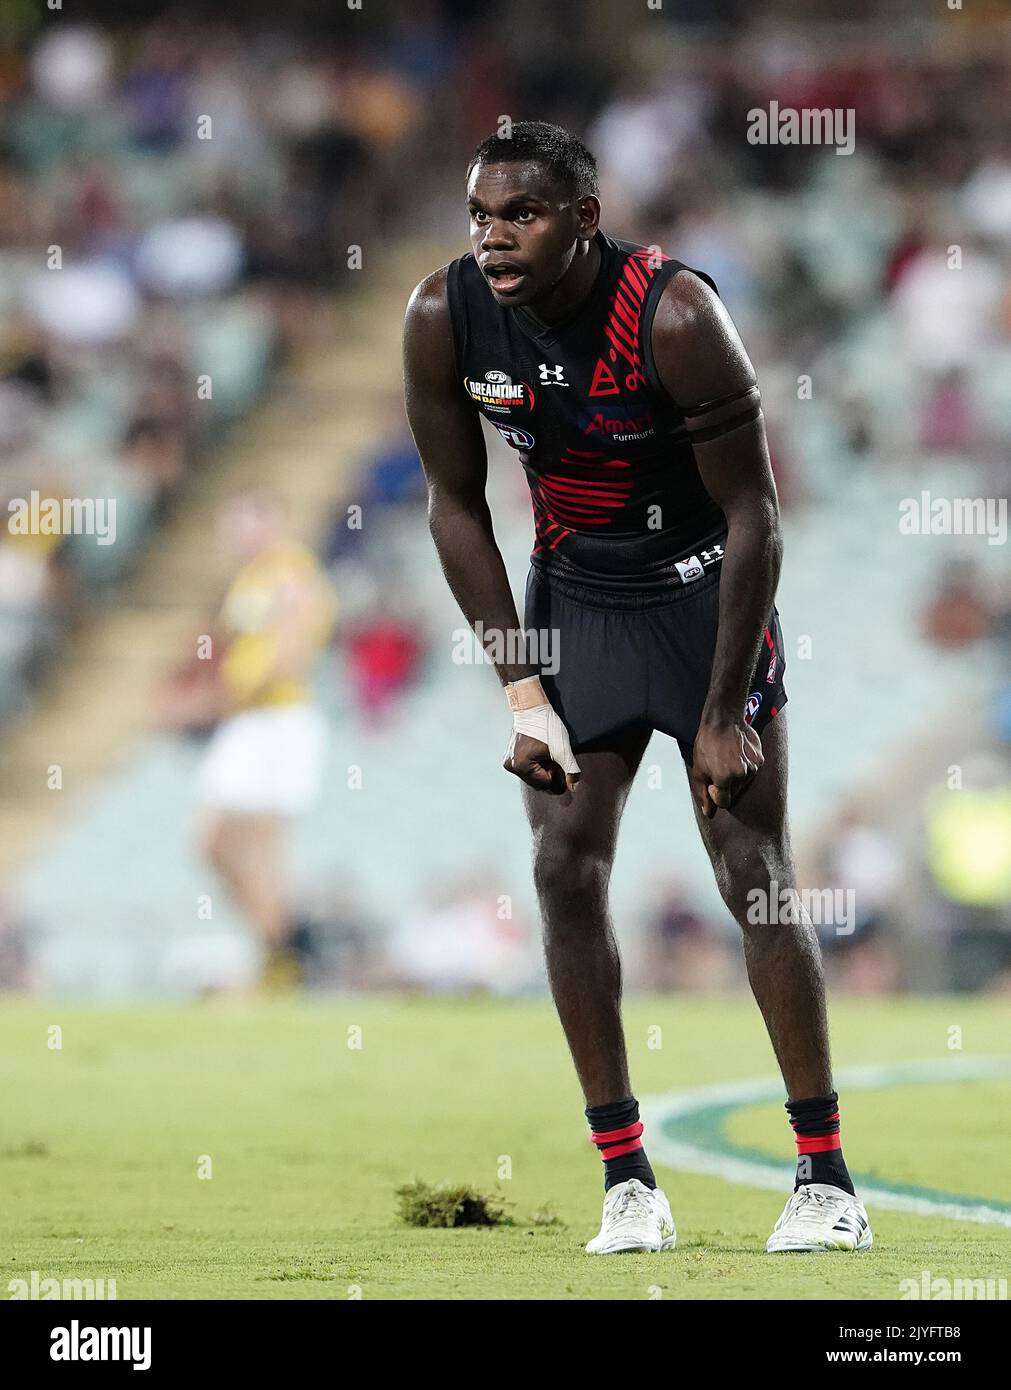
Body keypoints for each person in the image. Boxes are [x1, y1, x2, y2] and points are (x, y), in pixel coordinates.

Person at [403, 122, 871, 1255]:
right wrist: (521, 688)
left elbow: (758, 513)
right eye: (480, 215)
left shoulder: (673, 315)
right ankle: (628, 1181)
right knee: (564, 868)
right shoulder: (443, 314)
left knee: (752, 873)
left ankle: (826, 1180)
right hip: (575, 604)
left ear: (583, 219)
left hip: (703, 600)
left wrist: (723, 712)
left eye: (520, 214)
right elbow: (455, 507)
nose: (493, 236)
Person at [196, 490, 336, 988]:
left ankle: (279, 963)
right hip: (248, 722)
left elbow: (295, 645)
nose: (236, 535)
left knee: (262, 846)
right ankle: (279, 945)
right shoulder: (249, 579)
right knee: (211, 844)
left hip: (280, 719)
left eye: (244, 522)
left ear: (269, 521)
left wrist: (244, 687)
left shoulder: (290, 572)